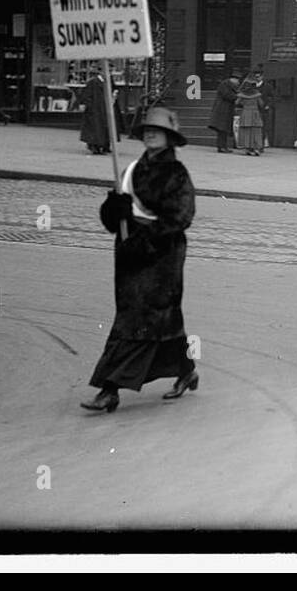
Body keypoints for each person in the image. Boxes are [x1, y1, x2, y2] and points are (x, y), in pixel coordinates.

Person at [81, 108, 199, 413]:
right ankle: (186, 372)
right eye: (147, 129)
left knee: (137, 322)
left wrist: (145, 242)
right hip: (130, 257)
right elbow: (112, 219)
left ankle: (109, 390)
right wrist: (114, 208)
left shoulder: (177, 174)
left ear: (169, 137)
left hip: (161, 259)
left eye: (156, 130)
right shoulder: (131, 169)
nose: (150, 133)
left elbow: (180, 217)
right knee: (160, 321)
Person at [77, 70, 114, 155]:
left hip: (103, 109)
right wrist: (89, 106)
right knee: (95, 129)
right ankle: (94, 146)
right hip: (95, 109)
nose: (109, 74)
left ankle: (102, 146)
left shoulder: (108, 82)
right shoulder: (93, 82)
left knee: (102, 128)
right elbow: (87, 95)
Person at [208, 69, 242, 153]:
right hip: (222, 111)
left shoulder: (228, 85)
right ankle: (221, 147)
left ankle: (223, 146)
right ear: (233, 79)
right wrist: (237, 96)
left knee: (224, 130)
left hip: (226, 111)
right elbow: (227, 95)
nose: (238, 82)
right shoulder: (225, 84)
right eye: (238, 80)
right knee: (222, 129)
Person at [235, 70, 267, 156]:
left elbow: (237, 103)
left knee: (246, 131)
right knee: (256, 131)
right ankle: (256, 148)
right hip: (255, 114)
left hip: (245, 113)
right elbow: (261, 104)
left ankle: (248, 149)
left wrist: (244, 104)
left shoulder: (242, 94)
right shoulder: (257, 94)